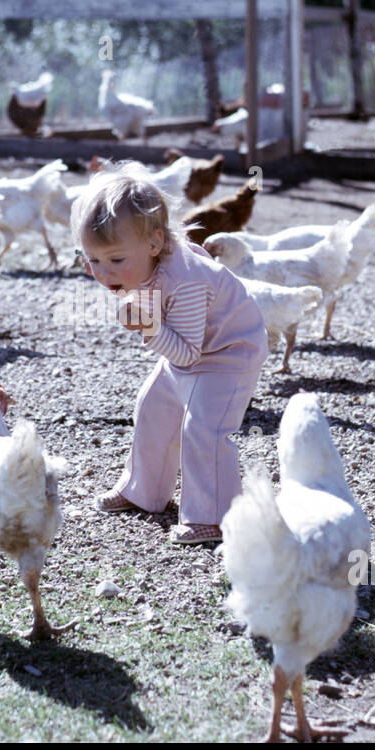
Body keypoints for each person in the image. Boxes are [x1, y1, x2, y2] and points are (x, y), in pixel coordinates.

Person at [72, 163, 268, 544]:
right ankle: (143, 491)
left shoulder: (186, 282)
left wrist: (147, 326)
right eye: (93, 260)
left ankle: (214, 516)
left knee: (205, 430)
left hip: (228, 354)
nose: (103, 273)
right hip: (190, 343)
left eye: (114, 260)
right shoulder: (148, 261)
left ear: (154, 243)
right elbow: (180, 344)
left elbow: (188, 356)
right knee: (153, 408)